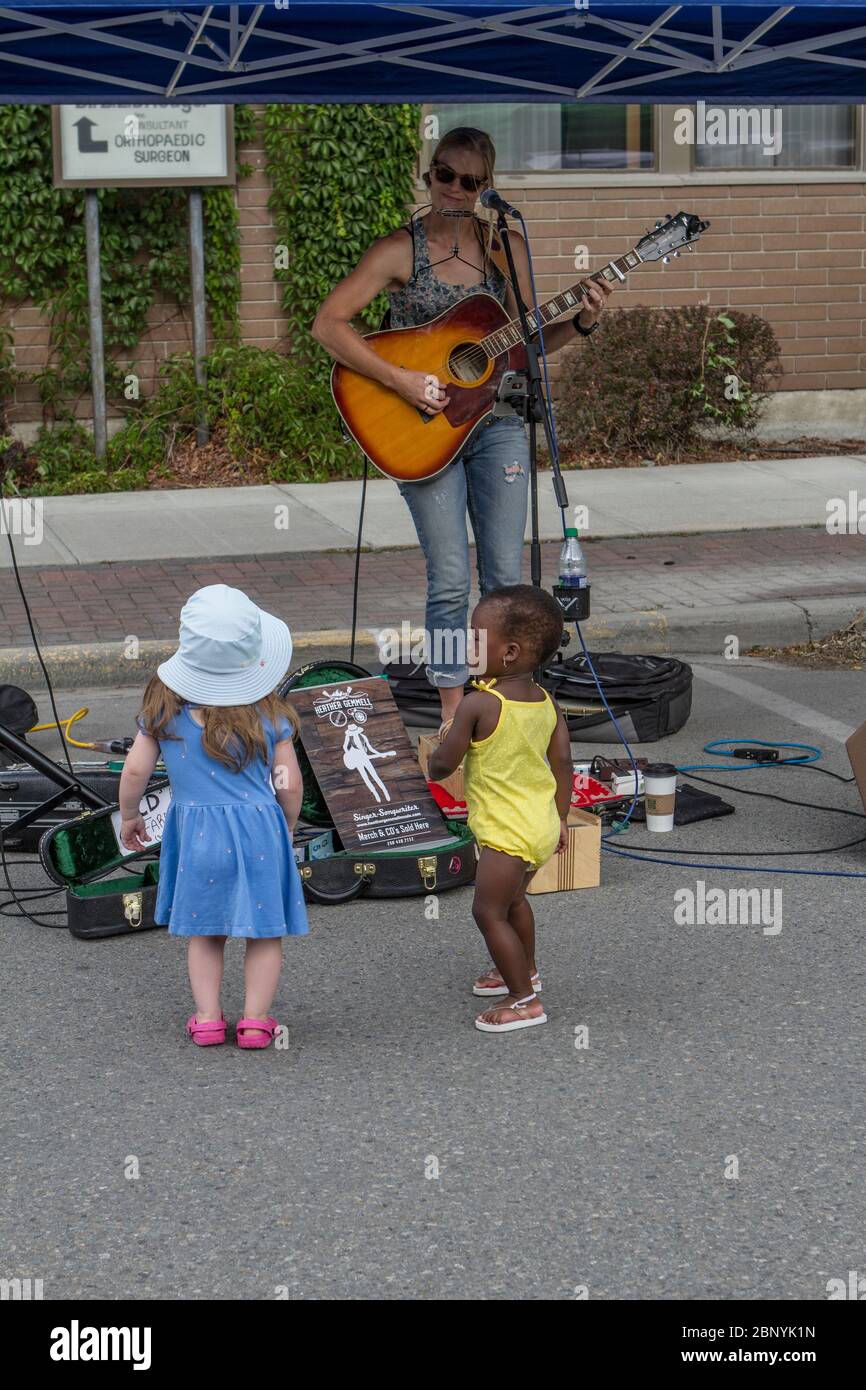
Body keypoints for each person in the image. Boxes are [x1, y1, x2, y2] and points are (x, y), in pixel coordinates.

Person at [312, 125, 612, 731]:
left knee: (504, 576)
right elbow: (329, 325)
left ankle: (502, 706)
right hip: (418, 425)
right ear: (429, 174)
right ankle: (454, 712)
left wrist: (579, 323)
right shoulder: (401, 250)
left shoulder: (505, 248)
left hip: (498, 420)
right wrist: (399, 379)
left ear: (486, 187)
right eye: (444, 174)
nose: (454, 188)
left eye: (469, 180)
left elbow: (526, 346)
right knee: (450, 579)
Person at [118, 584, 308, 1050]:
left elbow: (136, 769)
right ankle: (255, 1021)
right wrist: (288, 821)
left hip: (198, 835)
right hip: (260, 829)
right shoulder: (269, 712)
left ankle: (206, 1018)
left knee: (206, 931)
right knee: (264, 931)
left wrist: (128, 816)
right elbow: (289, 780)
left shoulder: (164, 709)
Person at [428, 584, 574, 1033]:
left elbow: (441, 766)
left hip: (506, 834)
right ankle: (523, 971)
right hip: (541, 824)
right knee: (513, 902)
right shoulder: (547, 703)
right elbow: (563, 764)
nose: (467, 645)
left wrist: (444, 740)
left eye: (475, 638)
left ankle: (524, 1000)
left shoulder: (478, 703)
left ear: (509, 652)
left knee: (486, 911)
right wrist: (562, 819)